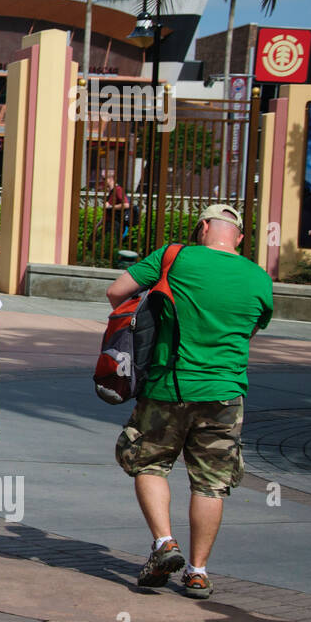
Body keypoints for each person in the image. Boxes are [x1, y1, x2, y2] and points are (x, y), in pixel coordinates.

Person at [106, 204, 273, 600]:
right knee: (212, 484)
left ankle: (165, 543)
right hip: (225, 394)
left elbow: (116, 293)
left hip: (167, 385)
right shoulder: (259, 278)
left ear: (202, 228)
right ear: (240, 237)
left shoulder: (173, 256)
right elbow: (251, 328)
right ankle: (198, 572)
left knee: (148, 461)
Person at [96, 175, 131, 247]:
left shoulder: (118, 190)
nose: (103, 182)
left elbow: (126, 204)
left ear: (111, 179)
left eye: (105, 179)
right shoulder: (112, 192)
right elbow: (107, 212)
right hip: (109, 224)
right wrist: (98, 224)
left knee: (111, 246)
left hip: (115, 224)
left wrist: (111, 207)